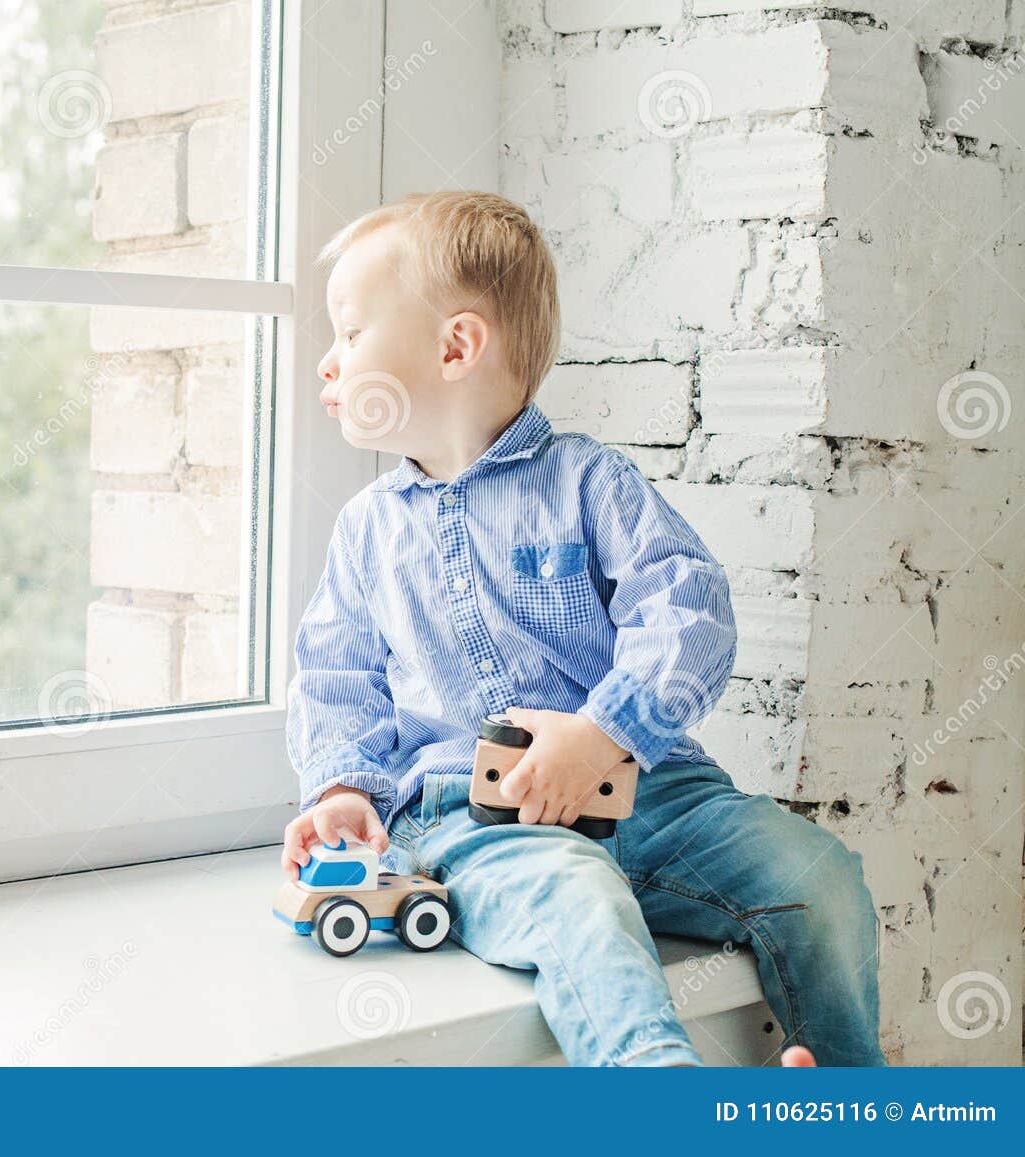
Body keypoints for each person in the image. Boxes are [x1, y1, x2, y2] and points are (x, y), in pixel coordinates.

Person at [281, 191, 885, 1067]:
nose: (328, 361)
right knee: (581, 904)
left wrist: (604, 732)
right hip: (480, 821)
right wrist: (343, 790)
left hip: (654, 794)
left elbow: (690, 612)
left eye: (349, 332)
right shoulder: (366, 529)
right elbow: (336, 677)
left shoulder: (589, 483)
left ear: (456, 346)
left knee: (819, 876)